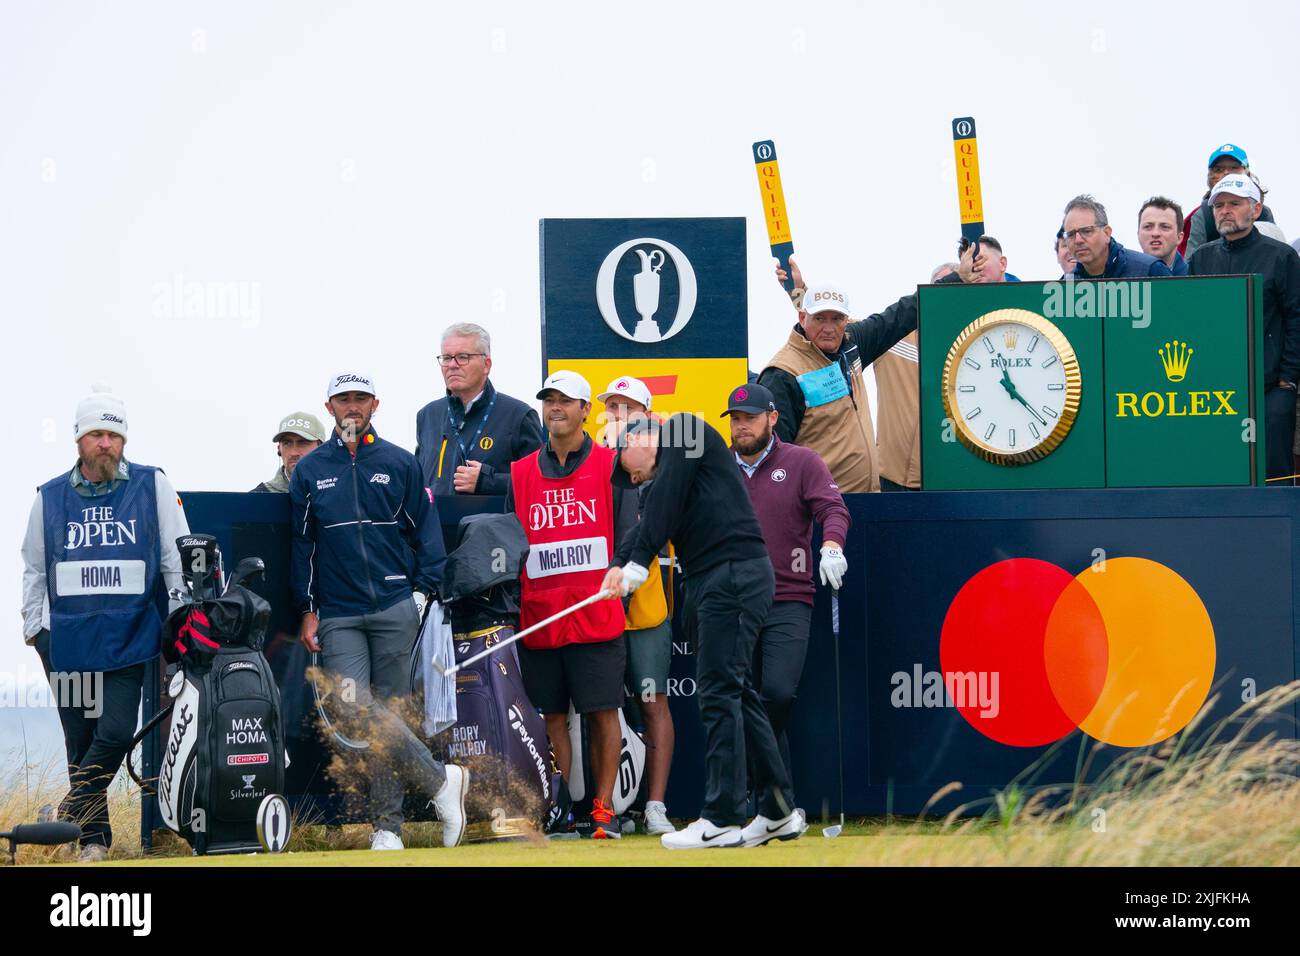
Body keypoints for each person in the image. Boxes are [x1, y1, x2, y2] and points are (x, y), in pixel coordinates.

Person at [603, 414, 800, 850]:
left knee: (717, 693)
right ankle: (777, 809)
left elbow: (662, 504)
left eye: (627, 463)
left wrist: (639, 562)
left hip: (730, 575)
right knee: (736, 691)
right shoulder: (669, 478)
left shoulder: (685, 431)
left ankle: (723, 818)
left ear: (639, 436)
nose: (631, 476)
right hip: (723, 577)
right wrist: (620, 564)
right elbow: (649, 520)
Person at [291, 372, 467, 850]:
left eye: (360, 399)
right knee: (352, 705)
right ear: (328, 407)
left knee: (392, 715)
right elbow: (303, 547)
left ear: (375, 405)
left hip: (395, 606)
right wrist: (309, 609)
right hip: (340, 612)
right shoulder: (310, 471)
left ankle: (388, 828)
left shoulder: (398, 462)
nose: (352, 407)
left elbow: (426, 534)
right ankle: (440, 782)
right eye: (343, 399)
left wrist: (423, 591)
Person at [21, 384, 190, 861]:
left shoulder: (152, 484)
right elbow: (34, 568)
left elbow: (176, 558)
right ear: (78, 439)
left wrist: (177, 617)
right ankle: (94, 841)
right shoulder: (48, 497)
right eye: (96, 434)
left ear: (124, 441)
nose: (105, 444)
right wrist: (35, 629)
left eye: (113, 435)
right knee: (80, 739)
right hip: (67, 642)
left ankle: (67, 813)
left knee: (114, 732)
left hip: (129, 638)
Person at [723, 383, 851, 831]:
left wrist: (831, 545)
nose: (742, 427)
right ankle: (775, 808)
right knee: (737, 702)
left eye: (750, 418)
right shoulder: (719, 466)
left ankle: (766, 804)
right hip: (732, 602)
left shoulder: (801, 462)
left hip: (787, 598)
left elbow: (833, 508)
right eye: (736, 419)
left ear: (772, 419)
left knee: (774, 694)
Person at [506, 370, 626, 839]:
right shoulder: (519, 472)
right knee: (552, 718)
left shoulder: (612, 465)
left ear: (585, 410)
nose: (554, 407)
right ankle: (562, 807)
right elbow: (511, 544)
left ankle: (602, 808)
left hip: (596, 614)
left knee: (602, 713)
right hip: (541, 617)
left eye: (565, 400)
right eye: (548, 399)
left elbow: (631, 533)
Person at [759, 254, 970, 493]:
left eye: (837, 319)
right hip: (821, 506)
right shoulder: (784, 373)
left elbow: (901, 314)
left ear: (846, 320)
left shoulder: (852, 343)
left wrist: (958, 278)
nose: (829, 328)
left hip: (869, 498)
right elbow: (775, 463)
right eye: (820, 319)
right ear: (803, 317)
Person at [596, 375, 676, 836]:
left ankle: (657, 805)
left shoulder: (665, 462)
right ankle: (607, 807)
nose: (620, 415)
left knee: (652, 702)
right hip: (599, 597)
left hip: (645, 602)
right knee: (602, 708)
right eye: (613, 408)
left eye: (629, 408)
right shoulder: (594, 460)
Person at [1188, 174, 1300, 483]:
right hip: (1216, 386)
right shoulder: (1201, 258)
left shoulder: (1281, 256)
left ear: (1256, 209)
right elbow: (1191, 322)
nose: (1225, 211)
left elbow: (1296, 318)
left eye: (1234, 204)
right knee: (1218, 467)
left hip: (1271, 387)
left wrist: (1288, 379)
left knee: (1274, 472)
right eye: (1219, 205)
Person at [415, 322, 544, 497]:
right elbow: (418, 480)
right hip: (436, 523)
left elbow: (540, 482)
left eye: (463, 357)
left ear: (486, 365)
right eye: (446, 358)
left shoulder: (519, 415)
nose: (452, 365)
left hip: (491, 524)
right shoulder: (428, 415)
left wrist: (488, 481)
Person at [875, 262, 959, 491]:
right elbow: (836, 328)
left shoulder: (971, 349)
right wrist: (799, 291)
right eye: (939, 287)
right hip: (890, 479)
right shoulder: (894, 340)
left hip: (948, 482)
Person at [1183, 144, 1277, 258]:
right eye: (1218, 169)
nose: (1226, 173)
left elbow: (1274, 255)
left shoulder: (1264, 212)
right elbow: (1192, 264)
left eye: (1234, 168)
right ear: (1210, 176)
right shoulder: (1202, 216)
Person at [1064, 195, 1173, 279]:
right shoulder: (1065, 287)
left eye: (1086, 231)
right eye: (1071, 234)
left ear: (1106, 233)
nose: (1078, 240)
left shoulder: (1151, 271)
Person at [251, 411, 326, 492]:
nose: (294, 453)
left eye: (303, 443)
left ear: (321, 448)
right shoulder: (257, 498)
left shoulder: (338, 492)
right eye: (287, 443)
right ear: (279, 449)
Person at [1137, 197, 1189, 275]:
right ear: (1138, 234)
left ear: (1179, 237)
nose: (1155, 233)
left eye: (1165, 227)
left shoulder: (1196, 277)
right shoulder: (1122, 278)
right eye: (1148, 227)